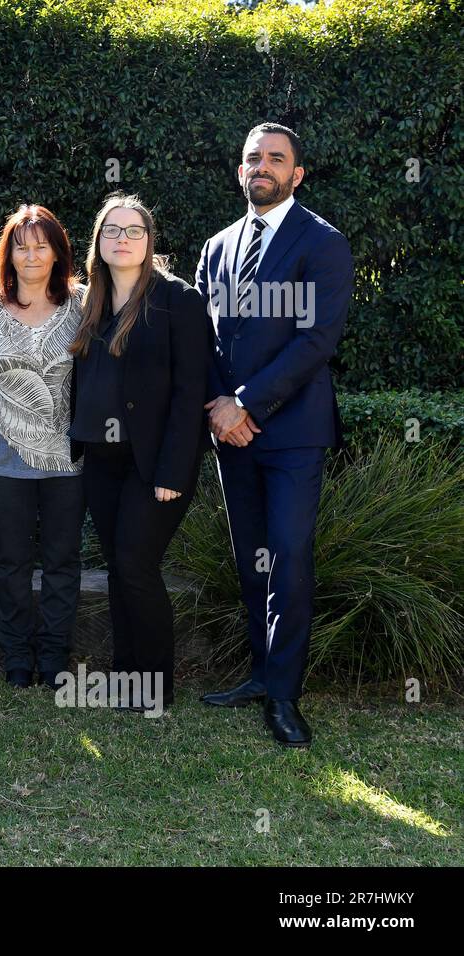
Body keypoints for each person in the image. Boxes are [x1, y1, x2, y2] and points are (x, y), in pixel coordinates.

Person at [196, 123, 354, 746]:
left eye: (275, 159)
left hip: (291, 432)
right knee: (252, 557)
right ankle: (260, 676)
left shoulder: (323, 243)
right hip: (231, 436)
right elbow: (206, 337)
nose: (262, 167)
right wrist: (218, 407)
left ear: (297, 174)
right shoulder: (217, 245)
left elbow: (316, 341)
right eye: (252, 159)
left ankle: (285, 696)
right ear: (240, 171)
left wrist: (243, 402)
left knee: (288, 558)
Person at [67, 194, 209, 713]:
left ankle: (154, 686)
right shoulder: (89, 301)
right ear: (98, 242)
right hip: (101, 461)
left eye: (133, 231)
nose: (121, 239)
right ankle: (127, 678)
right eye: (111, 230)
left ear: (149, 242)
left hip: (155, 465)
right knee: (119, 567)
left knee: (136, 564)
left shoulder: (179, 300)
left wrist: (174, 468)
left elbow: (192, 392)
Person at [0, 205, 85, 689]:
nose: (30, 254)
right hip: (2, 458)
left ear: (57, 252)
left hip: (69, 460)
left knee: (62, 561)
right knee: (11, 562)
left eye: (41, 245)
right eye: (20, 245)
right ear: (8, 253)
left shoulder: (83, 304)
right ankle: (16, 657)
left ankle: (53, 656)